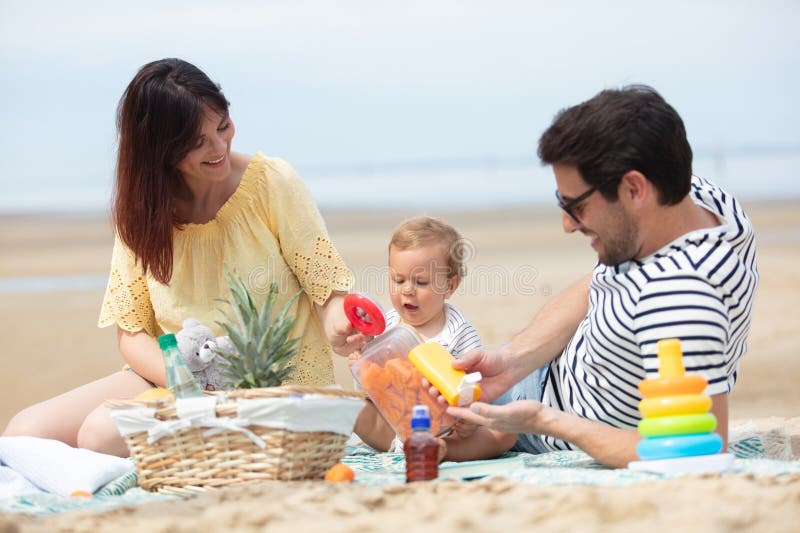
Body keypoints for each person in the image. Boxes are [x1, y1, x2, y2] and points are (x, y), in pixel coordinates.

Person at [2, 58, 366, 456]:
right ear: (159, 149)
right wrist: (187, 385)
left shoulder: (273, 182)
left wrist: (339, 325)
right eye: (197, 141)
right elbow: (133, 332)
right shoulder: (142, 210)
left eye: (222, 126)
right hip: (178, 377)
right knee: (24, 432)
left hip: (273, 384)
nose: (219, 147)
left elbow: (326, 290)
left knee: (101, 434)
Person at [444, 85, 758, 468]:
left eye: (576, 206)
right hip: (536, 373)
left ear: (633, 188)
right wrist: (510, 363)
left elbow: (700, 447)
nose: (566, 224)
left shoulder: (680, 299)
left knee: (398, 417)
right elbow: (600, 286)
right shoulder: (695, 197)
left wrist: (546, 421)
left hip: (536, 423)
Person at [351, 216, 516, 461]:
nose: (407, 289)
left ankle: (443, 452)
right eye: (398, 280)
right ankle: (405, 447)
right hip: (392, 428)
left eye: (421, 282)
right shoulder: (386, 326)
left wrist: (466, 419)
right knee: (350, 407)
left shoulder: (458, 329)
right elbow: (373, 391)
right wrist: (361, 366)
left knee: (505, 433)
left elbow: (472, 386)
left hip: (445, 430)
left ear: (449, 287)